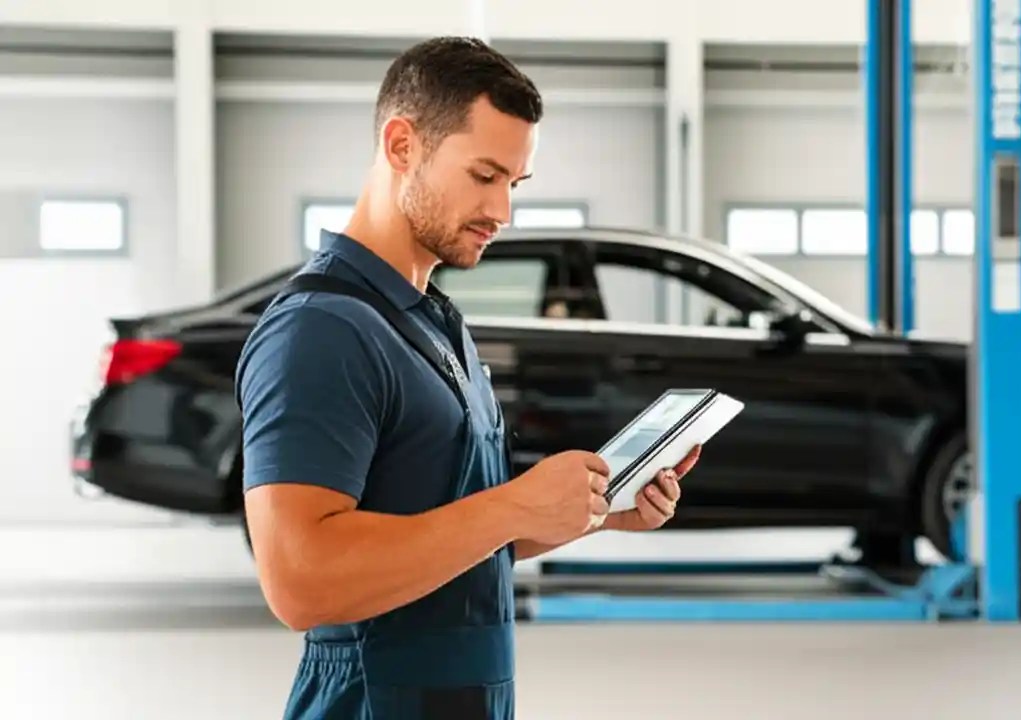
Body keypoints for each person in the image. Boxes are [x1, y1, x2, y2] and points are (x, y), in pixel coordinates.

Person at [235, 36, 701, 720]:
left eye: (514, 183)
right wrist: (513, 505)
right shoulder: (321, 330)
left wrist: (594, 513)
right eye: (484, 176)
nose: (502, 211)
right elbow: (300, 581)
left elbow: (456, 533)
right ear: (402, 146)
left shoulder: (434, 324)